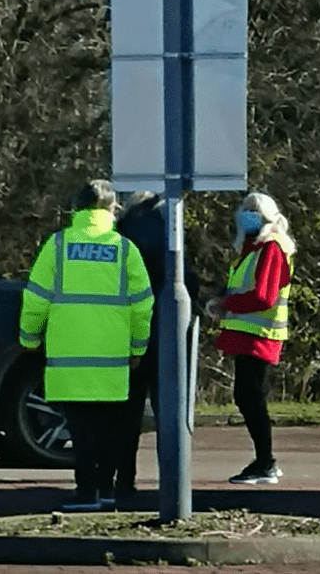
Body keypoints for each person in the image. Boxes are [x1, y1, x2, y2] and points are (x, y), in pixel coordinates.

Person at [18, 180, 154, 512]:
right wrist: (137, 349)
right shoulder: (124, 249)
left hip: (69, 358)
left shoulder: (58, 244)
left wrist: (29, 338)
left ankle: (86, 492)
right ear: (112, 209)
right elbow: (142, 304)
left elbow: (36, 299)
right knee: (109, 428)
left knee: (80, 431)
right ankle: (106, 490)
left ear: (77, 207)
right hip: (111, 359)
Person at [113, 191, 200, 498]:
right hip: (167, 332)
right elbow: (188, 281)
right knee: (169, 411)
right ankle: (172, 481)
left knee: (127, 414)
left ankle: (124, 479)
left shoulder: (123, 232)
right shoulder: (168, 232)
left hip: (128, 332)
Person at [206, 192, 296, 484]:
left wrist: (225, 305)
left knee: (251, 397)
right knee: (248, 397)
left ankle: (265, 462)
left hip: (261, 334)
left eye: (254, 210)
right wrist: (222, 300)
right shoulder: (252, 248)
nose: (248, 215)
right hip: (250, 333)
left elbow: (263, 296)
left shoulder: (271, 248)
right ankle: (264, 461)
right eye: (245, 209)